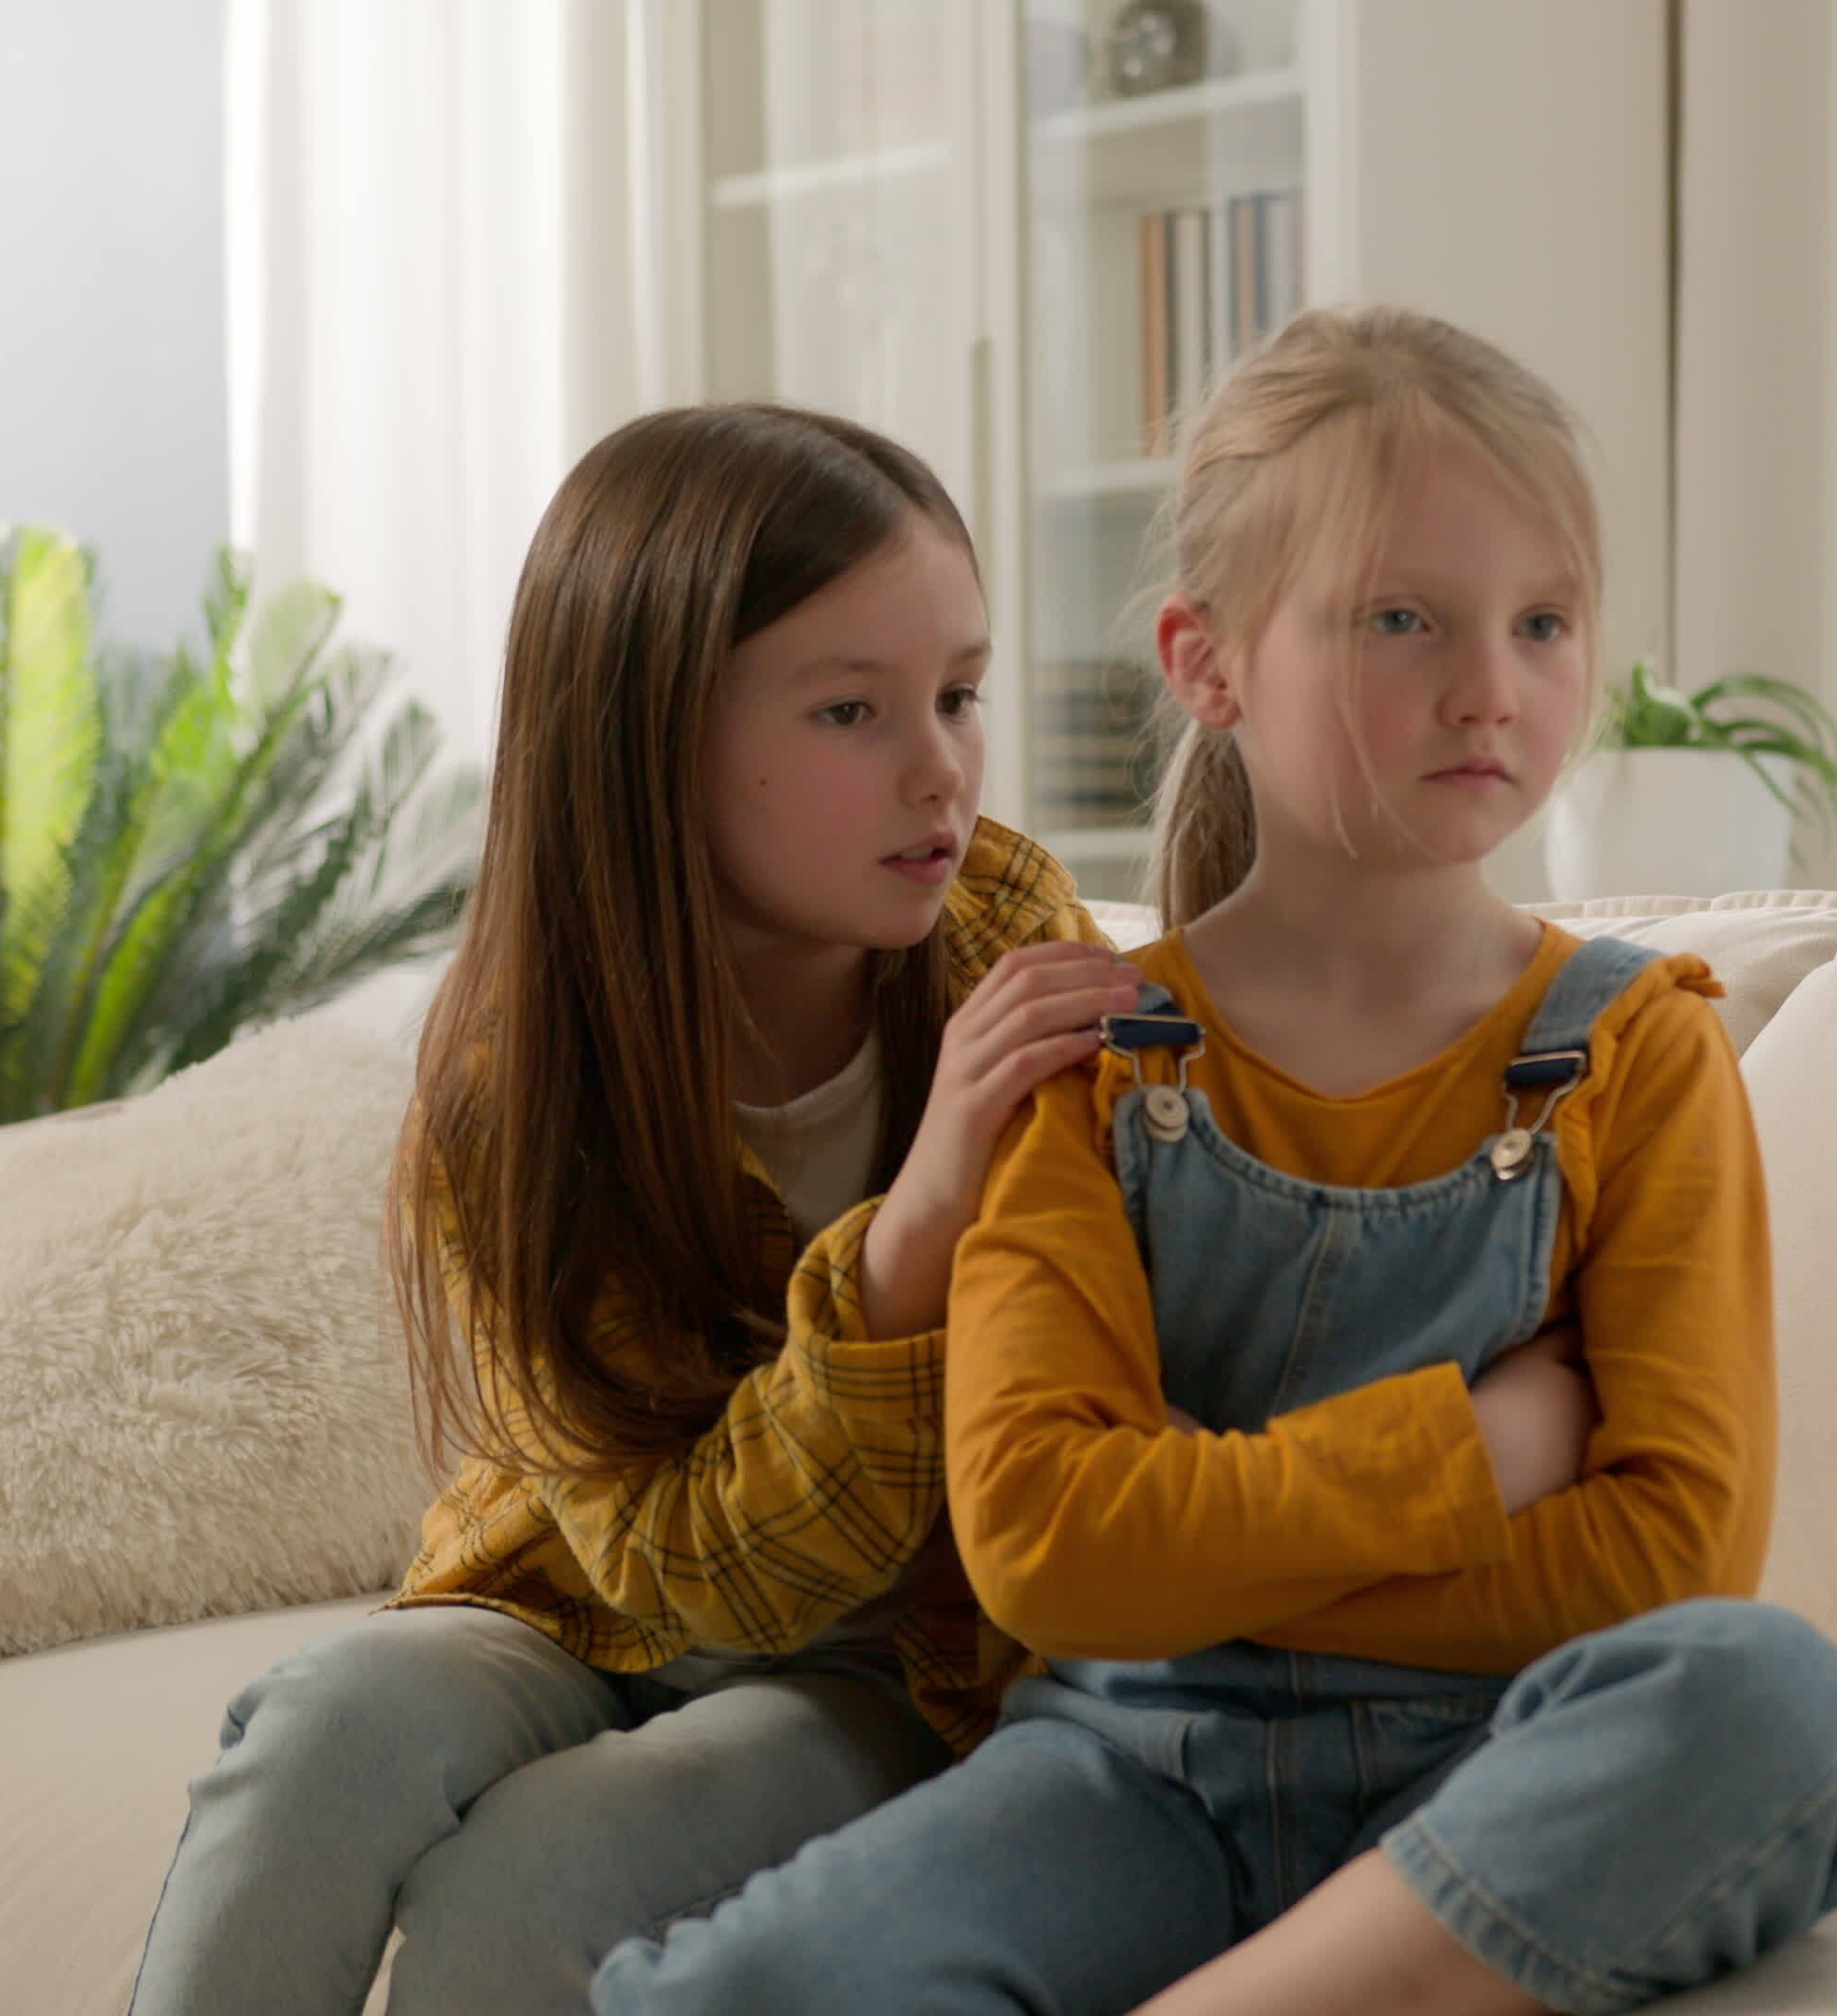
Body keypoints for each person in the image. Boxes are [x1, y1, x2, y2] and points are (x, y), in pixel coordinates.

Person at [593, 306, 1837, 2016]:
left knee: (1765, 1698)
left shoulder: (1643, 1055)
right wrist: (1477, 1454)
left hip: (1499, 1766)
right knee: (725, 1994)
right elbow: (1049, 1552)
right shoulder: (1086, 1058)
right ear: (1208, 665)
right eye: (1402, 619)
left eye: (1543, 622)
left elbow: (1673, 1561)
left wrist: (1203, 1547)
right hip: (1133, 1772)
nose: (1491, 689)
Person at [127, 401, 1140, 2016]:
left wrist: (940, 1199)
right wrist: (912, 1236)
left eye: (958, 694)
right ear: (648, 740)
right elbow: (683, 1572)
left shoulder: (1002, 943)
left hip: (899, 1650)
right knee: (325, 1731)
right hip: (592, 1593)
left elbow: (840, 1576)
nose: (939, 768)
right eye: (851, 710)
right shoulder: (516, 1080)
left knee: (546, 1869)